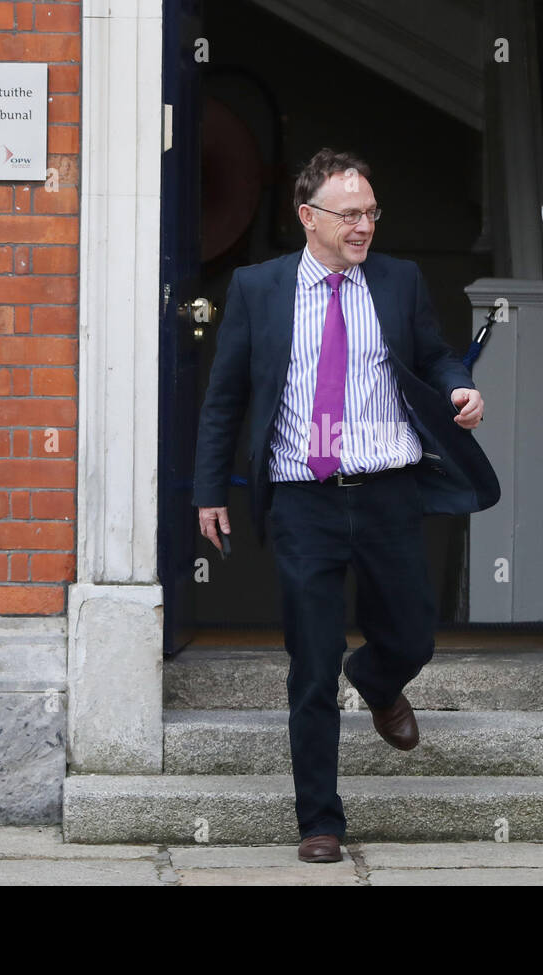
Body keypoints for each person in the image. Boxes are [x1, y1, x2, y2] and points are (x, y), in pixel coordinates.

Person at [191, 148, 499, 862]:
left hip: (388, 491)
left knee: (415, 629)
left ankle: (379, 676)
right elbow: (226, 398)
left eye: (371, 212)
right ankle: (320, 821)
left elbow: (434, 354)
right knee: (311, 661)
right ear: (309, 218)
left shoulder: (397, 280)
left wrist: (458, 387)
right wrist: (209, 489)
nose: (364, 226)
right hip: (304, 499)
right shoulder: (258, 289)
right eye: (350, 214)